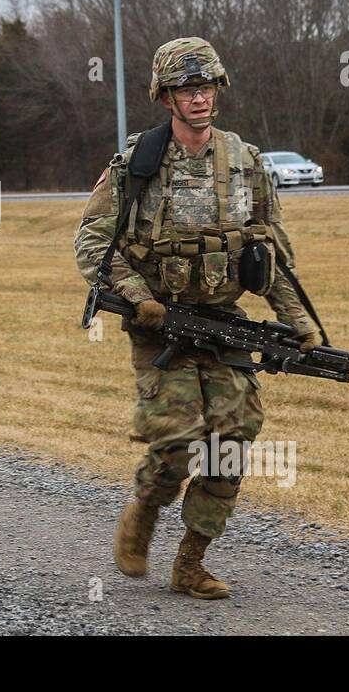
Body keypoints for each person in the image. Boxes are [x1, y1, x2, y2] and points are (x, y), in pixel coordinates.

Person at [73, 38, 320, 598]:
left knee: (232, 439)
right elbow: (92, 244)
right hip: (158, 322)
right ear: (166, 97)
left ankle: (191, 561)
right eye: (187, 88)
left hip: (222, 319)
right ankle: (145, 505)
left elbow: (271, 250)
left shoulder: (246, 162)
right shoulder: (139, 163)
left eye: (206, 86)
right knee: (180, 442)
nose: (200, 97)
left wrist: (298, 322)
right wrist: (136, 294)